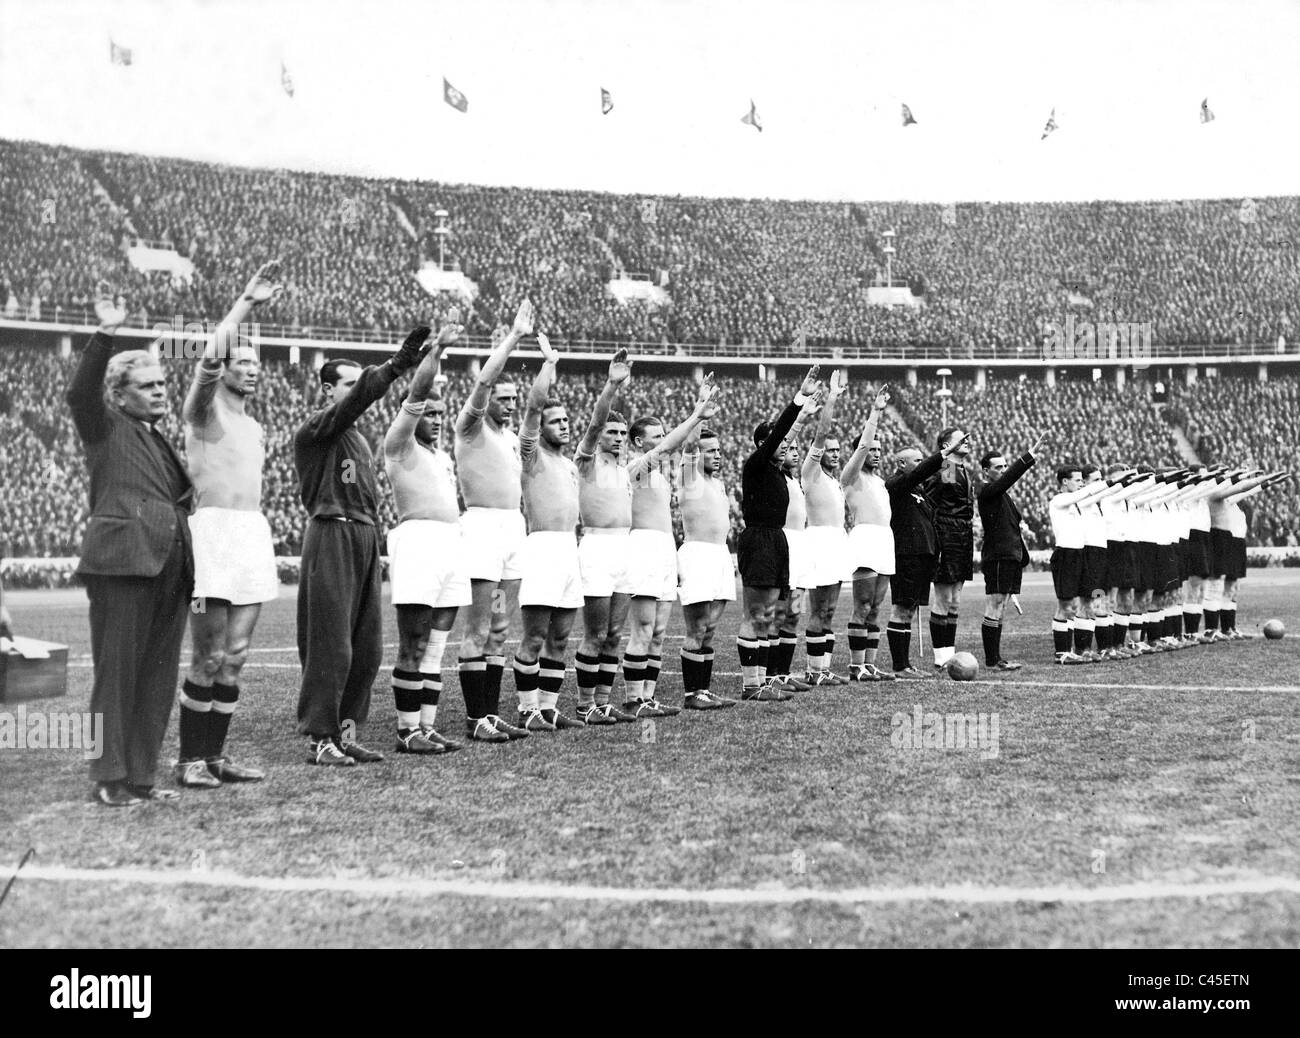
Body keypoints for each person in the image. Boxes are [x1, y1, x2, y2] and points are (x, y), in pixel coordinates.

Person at [68, 283, 194, 806]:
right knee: (115, 678)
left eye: (163, 383)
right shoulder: (104, 424)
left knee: (157, 678)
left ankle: (141, 775)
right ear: (119, 394)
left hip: (167, 568)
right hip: (122, 565)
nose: (161, 391)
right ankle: (107, 776)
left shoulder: (155, 434)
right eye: (147, 385)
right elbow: (79, 393)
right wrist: (105, 333)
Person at [294, 323, 433, 766]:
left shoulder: (357, 437)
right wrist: (394, 367)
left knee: (366, 647)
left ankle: (347, 734)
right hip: (332, 532)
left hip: (364, 535)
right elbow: (357, 402)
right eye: (348, 386)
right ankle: (321, 739)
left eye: (359, 384)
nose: (356, 393)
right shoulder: (315, 431)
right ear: (327, 392)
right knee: (332, 644)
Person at [174, 262, 283, 790]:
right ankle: (188, 759)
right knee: (208, 654)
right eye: (242, 362)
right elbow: (209, 357)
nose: (252, 369)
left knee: (236, 657)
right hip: (212, 533)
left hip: (251, 533)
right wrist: (246, 303)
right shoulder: (202, 412)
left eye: (256, 363)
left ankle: (214, 757)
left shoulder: (256, 425)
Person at [382, 313, 469, 753]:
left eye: (440, 413)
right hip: (417, 542)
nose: (435, 418)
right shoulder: (399, 445)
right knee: (413, 641)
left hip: (450, 544)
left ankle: (427, 726)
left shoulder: (441, 457)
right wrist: (436, 352)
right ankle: (406, 730)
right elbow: (417, 392)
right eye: (429, 413)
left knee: (437, 645)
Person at [453, 300, 535, 743]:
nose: (508, 404)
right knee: (479, 627)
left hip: (511, 529)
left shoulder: (509, 439)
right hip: (482, 527)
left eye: (512, 399)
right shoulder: (470, 428)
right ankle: (474, 716)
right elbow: (484, 378)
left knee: (501, 629)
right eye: (502, 399)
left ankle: (489, 712)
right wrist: (515, 337)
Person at [622, 378, 721, 715]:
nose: (662, 439)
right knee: (644, 627)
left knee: (660, 631)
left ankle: (647, 697)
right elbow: (670, 448)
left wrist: (701, 415)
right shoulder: (634, 468)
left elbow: (685, 447)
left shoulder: (662, 478)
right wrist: (696, 415)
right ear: (639, 442)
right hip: (643, 547)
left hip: (664, 548)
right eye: (655, 435)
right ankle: (634, 698)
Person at [512, 333, 586, 731]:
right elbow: (533, 405)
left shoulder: (571, 465)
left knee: (560, 638)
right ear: (540, 428)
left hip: (568, 550)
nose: (563, 425)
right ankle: (527, 710)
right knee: (536, 635)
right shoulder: (531, 455)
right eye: (555, 421)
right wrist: (550, 363)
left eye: (566, 420)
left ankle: (548, 708)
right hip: (541, 547)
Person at [737, 367, 822, 700]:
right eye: (779, 441)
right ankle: (752, 685)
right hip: (759, 539)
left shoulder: (776, 470)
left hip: (777, 542)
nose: (786, 446)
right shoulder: (756, 464)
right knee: (757, 614)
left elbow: (786, 437)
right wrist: (798, 400)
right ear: (763, 444)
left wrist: (802, 416)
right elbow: (780, 436)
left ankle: (767, 680)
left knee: (772, 615)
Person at [573, 349, 637, 724]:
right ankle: (584, 705)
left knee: (615, 633)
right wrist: (612, 386)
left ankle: (602, 701)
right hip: (596, 546)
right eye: (611, 433)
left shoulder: (626, 470)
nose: (616, 437)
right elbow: (595, 423)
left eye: (621, 433)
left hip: (624, 549)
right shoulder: (587, 462)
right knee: (595, 632)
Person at [884, 434, 967, 677]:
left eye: (922, 460)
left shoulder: (919, 489)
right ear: (901, 464)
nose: (921, 465)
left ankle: (906, 664)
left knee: (910, 609)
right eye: (917, 461)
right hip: (908, 554)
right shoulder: (897, 484)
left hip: (925, 555)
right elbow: (930, 476)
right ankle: (900, 666)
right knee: (902, 608)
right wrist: (946, 456)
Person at [676, 422, 738, 710]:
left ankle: (704, 690)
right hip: (698, 554)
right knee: (697, 627)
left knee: (710, 628)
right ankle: (692, 694)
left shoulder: (719, 483)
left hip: (720, 554)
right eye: (710, 451)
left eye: (718, 450)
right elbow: (688, 446)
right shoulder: (689, 478)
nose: (717, 455)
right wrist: (700, 414)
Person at [975, 434, 1045, 671]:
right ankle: (992, 660)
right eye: (998, 467)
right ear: (986, 471)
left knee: (1001, 605)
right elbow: (1008, 480)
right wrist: (1029, 456)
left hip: (1011, 556)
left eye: (1005, 466)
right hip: (998, 556)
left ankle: (996, 658)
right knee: (995, 604)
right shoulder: (987, 491)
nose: (1004, 470)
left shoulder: (1003, 496)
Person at [800, 369, 851, 686]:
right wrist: (831, 398)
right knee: (818, 609)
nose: (834, 453)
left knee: (830, 609)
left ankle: (823, 669)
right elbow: (820, 435)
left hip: (836, 542)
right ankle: (813, 669)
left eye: (836, 450)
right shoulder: (811, 472)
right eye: (829, 450)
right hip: (818, 541)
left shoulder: (835, 480)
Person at [841, 385, 894, 681]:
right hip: (864, 539)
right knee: (861, 604)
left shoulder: (882, 482)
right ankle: (855, 665)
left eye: (878, 450)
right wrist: (875, 413)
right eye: (870, 449)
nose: (875, 453)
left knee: (876, 607)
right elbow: (862, 447)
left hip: (885, 541)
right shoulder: (851, 477)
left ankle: (870, 665)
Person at [925, 427, 975, 671]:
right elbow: (932, 502)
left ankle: (950, 653)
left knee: (955, 599)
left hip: (964, 535)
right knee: (944, 597)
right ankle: (940, 656)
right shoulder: (947, 468)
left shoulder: (963, 470)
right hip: (947, 534)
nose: (968, 441)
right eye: (961, 439)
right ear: (946, 443)